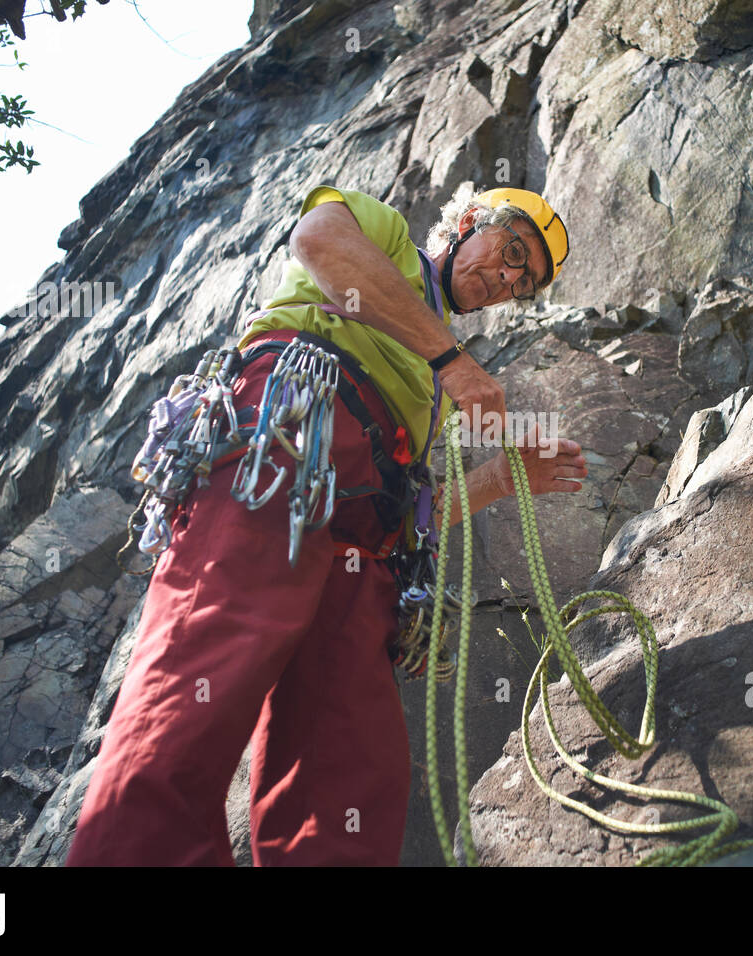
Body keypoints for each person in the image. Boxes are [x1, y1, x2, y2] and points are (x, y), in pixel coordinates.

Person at [65, 182, 589, 866]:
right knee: (199, 689)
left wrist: (499, 478)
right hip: (279, 453)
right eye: (512, 249)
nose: (508, 278)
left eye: (523, 281)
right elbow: (319, 244)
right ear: (467, 221)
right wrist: (451, 360)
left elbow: (418, 512)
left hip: (364, 542)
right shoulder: (386, 237)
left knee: (351, 763)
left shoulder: (433, 384)